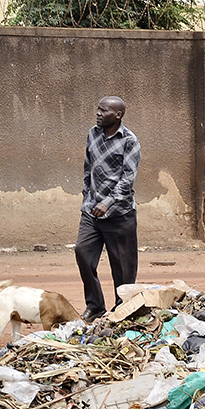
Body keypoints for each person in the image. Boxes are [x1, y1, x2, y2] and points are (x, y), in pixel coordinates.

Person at [75, 95, 140, 321]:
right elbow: (87, 167)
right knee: (82, 252)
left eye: (104, 110)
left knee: (122, 269)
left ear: (118, 115)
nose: (98, 113)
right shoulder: (93, 133)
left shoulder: (129, 141)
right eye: (98, 109)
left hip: (119, 215)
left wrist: (108, 202)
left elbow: (128, 178)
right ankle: (95, 306)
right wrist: (88, 198)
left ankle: (122, 311)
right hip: (92, 212)